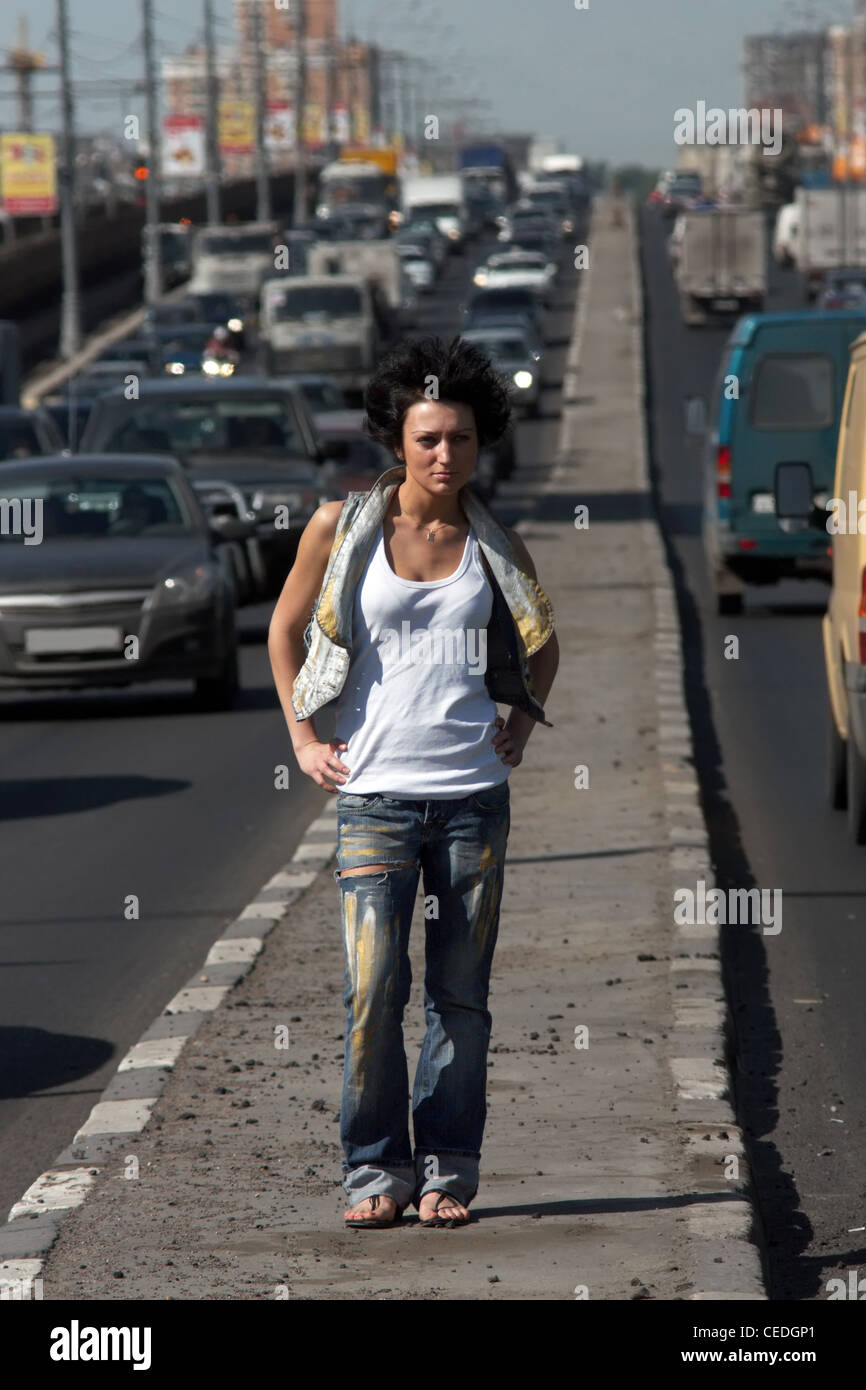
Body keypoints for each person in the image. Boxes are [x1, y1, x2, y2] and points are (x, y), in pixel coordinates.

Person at [268, 335, 559, 1230]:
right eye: (428, 438)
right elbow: (283, 634)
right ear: (397, 440)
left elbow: (542, 645)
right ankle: (373, 1172)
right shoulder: (341, 527)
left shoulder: (494, 543)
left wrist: (515, 727)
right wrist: (304, 740)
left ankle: (446, 1171)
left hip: (474, 799)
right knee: (374, 990)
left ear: (480, 444)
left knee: (460, 999)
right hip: (375, 800)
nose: (444, 455)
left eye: (460, 440)